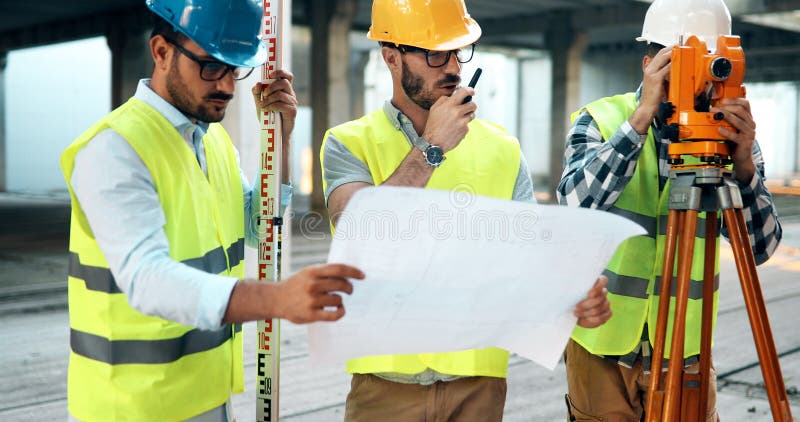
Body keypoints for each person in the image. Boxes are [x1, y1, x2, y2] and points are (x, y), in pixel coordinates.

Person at [60, 0, 363, 420]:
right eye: (210, 66)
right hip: (132, 408)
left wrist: (281, 140)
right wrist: (278, 299)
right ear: (161, 52)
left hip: (208, 396)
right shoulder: (115, 149)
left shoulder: (214, 142)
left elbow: (257, 228)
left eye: (234, 68)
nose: (226, 86)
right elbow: (146, 280)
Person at [320, 0, 612, 420]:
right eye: (436, 54)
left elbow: (530, 258)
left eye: (459, 51)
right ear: (391, 58)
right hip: (384, 388)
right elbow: (359, 232)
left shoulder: (503, 148)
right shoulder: (348, 142)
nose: (453, 66)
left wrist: (571, 296)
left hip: (478, 388)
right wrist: (432, 147)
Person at [557, 0, 783, 420]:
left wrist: (744, 167)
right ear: (650, 64)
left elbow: (760, 248)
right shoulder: (602, 120)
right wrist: (640, 121)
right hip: (602, 348)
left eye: (708, 65)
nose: (699, 81)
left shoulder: (729, 138)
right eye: (684, 64)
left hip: (686, 352)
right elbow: (574, 205)